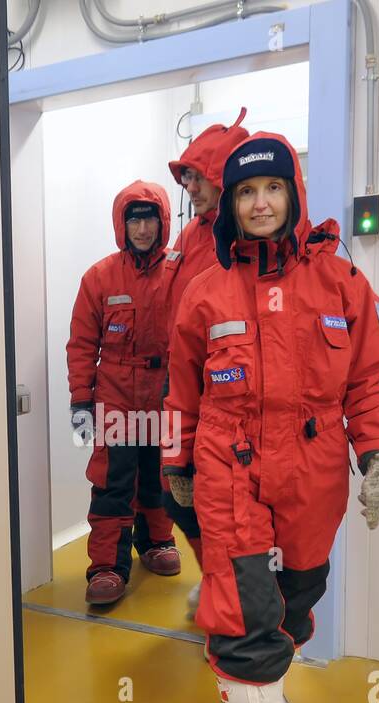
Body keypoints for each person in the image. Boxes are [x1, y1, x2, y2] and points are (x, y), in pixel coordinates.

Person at [163, 133, 379, 703]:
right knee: (241, 608)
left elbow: (371, 376)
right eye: (244, 192)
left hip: (314, 470)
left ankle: (267, 692)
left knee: (296, 600)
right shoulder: (205, 291)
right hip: (229, 467)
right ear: (229, 206)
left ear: (292, 195)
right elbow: (182, 388)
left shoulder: (341, 284)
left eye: (270, 188)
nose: (259, 202)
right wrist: (176, 459)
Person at [67, 181, 182, 605]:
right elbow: (81, 345)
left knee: (159, 473)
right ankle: (107, 567)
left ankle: (156, 542)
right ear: (122, 224)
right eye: (134, 219)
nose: (142, 228)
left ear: (163, 222)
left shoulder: (180, 273)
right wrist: (81, 402)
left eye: (149, 218)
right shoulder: (99, 277)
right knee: (113, 481)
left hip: (166, 394)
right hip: (115, 394)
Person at [162, 108, 250, 620]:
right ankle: (215, 581)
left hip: (227, 391)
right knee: (179, 499)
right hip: (181, 386)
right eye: (186, 177)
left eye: (196, 176)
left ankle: (232, 605)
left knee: (225, 506)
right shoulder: (192, 234)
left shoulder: (242, 233)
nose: (190, 187)